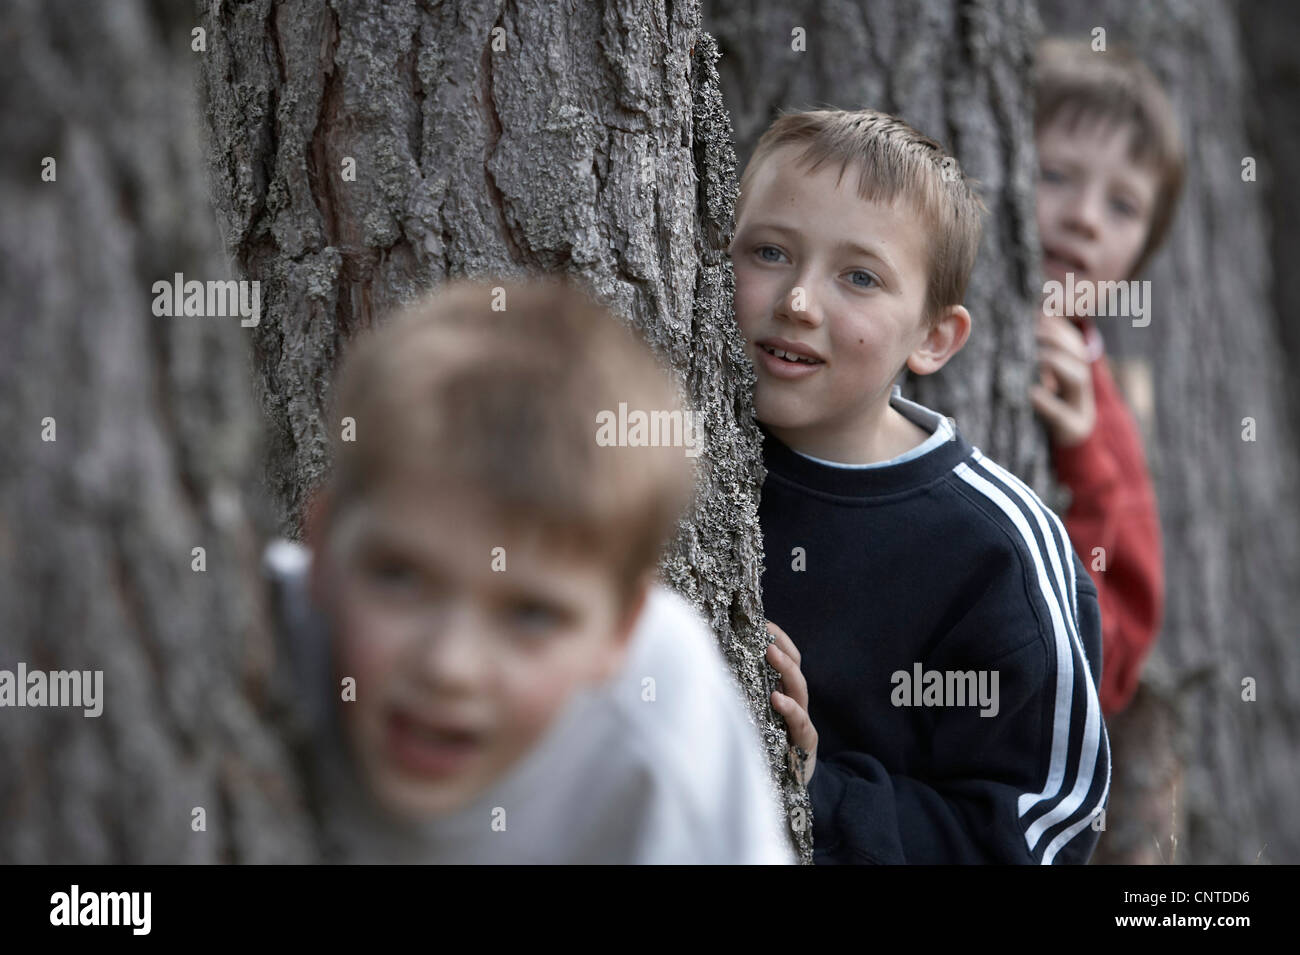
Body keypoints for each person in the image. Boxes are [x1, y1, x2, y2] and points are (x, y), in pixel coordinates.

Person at [265, 277, 794, 864]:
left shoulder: (661, 721)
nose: (449, 667)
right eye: (399, 577)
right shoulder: (244, 641)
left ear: (620, 631)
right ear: (322, 548)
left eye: (532, 614)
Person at [732, 108, 1109, 863]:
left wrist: (811, 792)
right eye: (770, 252)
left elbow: (1035, 833)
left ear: (934, 338)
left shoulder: (996, 549)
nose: (798, 301)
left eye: (859, 277)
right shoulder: (679, 442)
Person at [1030, 38, 1186, 865]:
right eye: (1055, 175)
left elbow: (1117, 647)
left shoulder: (1108, 421)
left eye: (1123, 206)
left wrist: (1086, 456)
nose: (1085, 216)